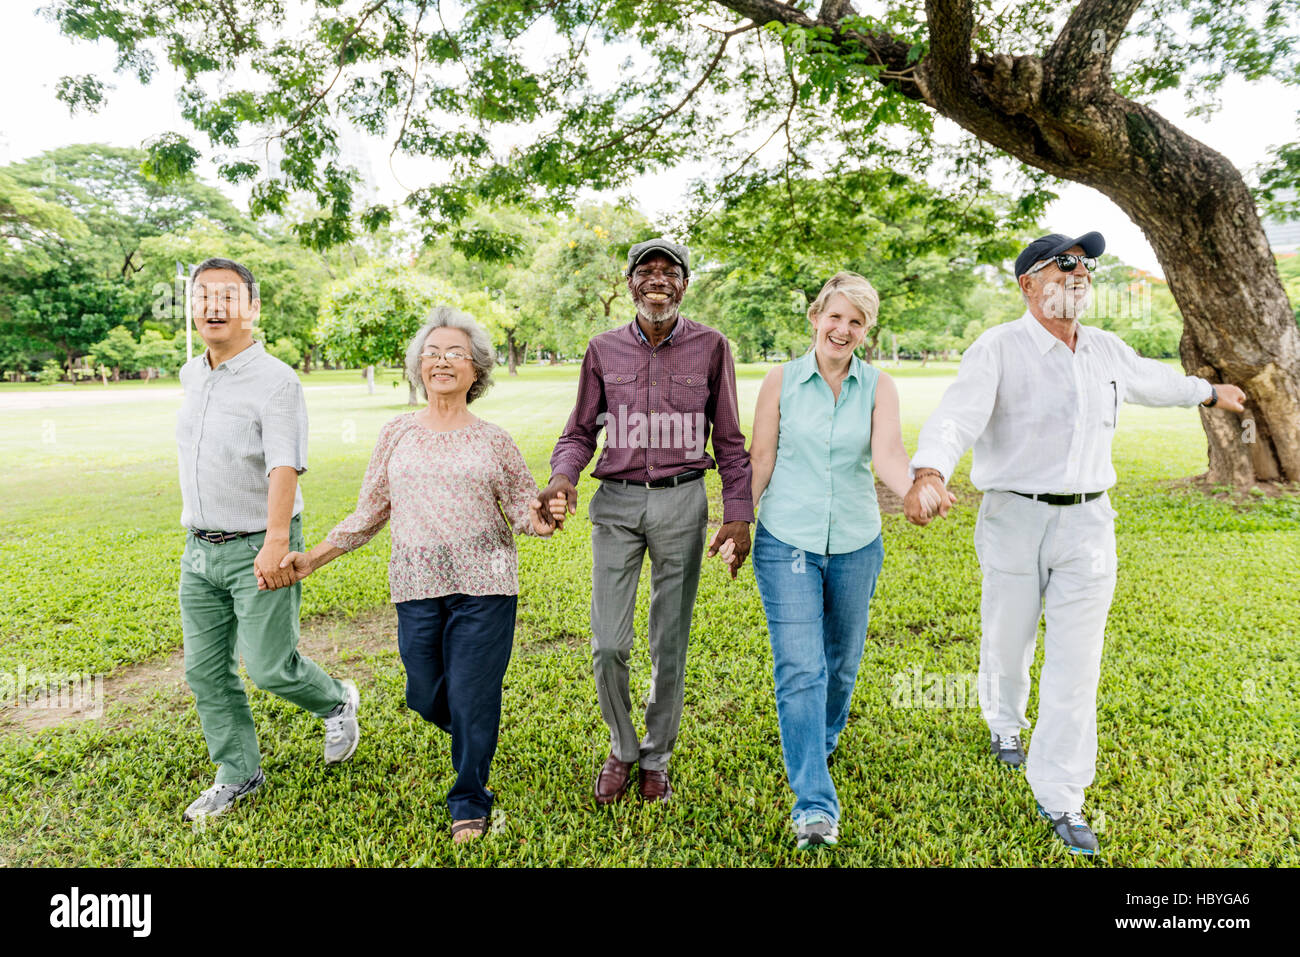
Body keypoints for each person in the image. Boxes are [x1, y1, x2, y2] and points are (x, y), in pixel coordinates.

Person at [905, 232, 1247, 855]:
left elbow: (1153, 381)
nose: (1079, 273)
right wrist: (930, 473)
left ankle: (1060, 793)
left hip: (1090, 524)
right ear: (1028, 284)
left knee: (1076, 662)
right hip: (1014, 517)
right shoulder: (999, 349)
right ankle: (1004, 725)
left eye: (1087, 266)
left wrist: (1208, 390)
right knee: (1008, 639)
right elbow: (957, 416)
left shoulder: (1106, 349)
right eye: (1062, 264)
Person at [266, 306, 559, 843]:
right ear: (417, 367)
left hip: (486, 585)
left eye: (455, 353)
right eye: (431, 352)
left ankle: (469, 796)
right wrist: (313, 558)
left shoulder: (494, 439)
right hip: (416, 583)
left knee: (473, 693)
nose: (441, 361)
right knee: (424, 693)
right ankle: (474, 731)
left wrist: (544, 518)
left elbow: (524, 509)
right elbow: (370, 511)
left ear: (477, 372)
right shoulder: (396, 432)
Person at [720, 272, 948, 851]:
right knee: (802, 668)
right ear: (815, 318)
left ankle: (816, 741)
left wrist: (914, 491)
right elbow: (761, 457)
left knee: (841, 664)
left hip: (855, 541)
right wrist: (739, 522)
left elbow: (888, 455)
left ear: (865, 331)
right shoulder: (780, 382)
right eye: (835, 316)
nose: (843, 329)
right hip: (786, 538)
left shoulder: (879, 386)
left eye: (857, 321)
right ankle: (814, 804)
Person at [537, 237, 754, 805]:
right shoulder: (602, 348)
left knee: (669, 643)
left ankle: (657, 756)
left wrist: (738, 515)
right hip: (617, 503)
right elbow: (581, 429)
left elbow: (730, 439)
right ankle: (623, 746)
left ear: (684, 284)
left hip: (683, 503)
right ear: (631, 284)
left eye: (670, 270)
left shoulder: (712, 346)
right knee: (609, 643)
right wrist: (563, 477)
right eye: (646, 270)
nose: (657, 278)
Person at [176, 256, 359, 822]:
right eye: (202, 294)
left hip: (260, 541)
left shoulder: (277, 380)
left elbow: (285, 466)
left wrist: (275, 541)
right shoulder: (191, 372)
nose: (213, 305)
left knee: (269, 666)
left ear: (252, 309)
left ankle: (336, 701)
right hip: (199, 548)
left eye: (227, 296)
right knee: (204, 671)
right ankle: (238, 772)